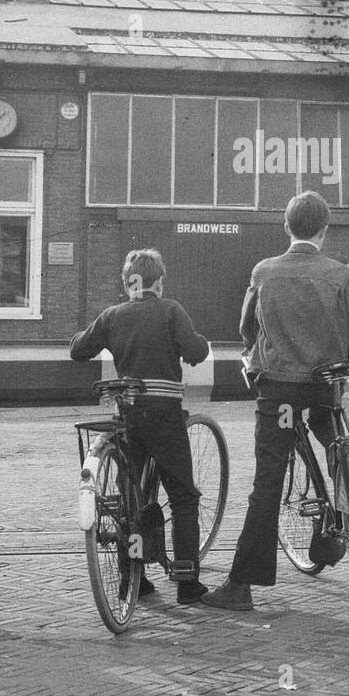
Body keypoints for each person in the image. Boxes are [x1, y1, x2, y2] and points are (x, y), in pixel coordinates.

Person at [203, 192, 349, 611]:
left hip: (278, 391)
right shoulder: (341, 274)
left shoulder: (264, 272)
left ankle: (241, 585)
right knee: (341, 451)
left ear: (286, 227)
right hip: (324, 387)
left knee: (269, 482)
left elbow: (246, 328)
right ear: (325, 230)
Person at [69, 248, 211, 605]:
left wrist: (93, 332)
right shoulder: (171, 310)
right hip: (164, 416)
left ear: (127, 283)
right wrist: (199, 345)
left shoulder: (113, 315)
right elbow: (195, 350)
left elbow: (79, 350)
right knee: (183, 497)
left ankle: (132, 581)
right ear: (159, 283)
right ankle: (186, 583)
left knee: (129, 499)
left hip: (127, 417)